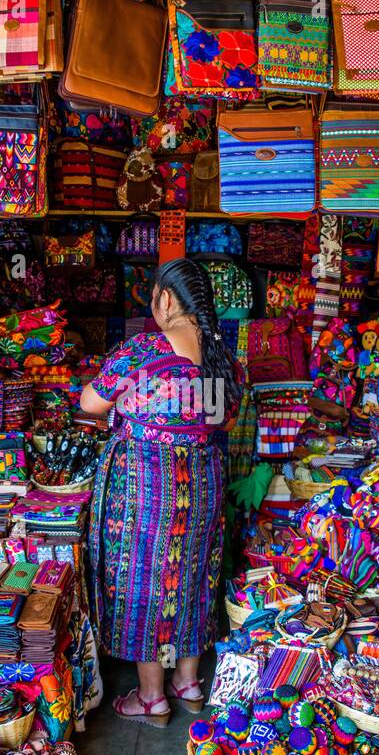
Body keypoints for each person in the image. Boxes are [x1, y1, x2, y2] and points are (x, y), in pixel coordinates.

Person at [80, 259, 242, 727]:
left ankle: (151, 696)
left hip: (146, 484)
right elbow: (222, 420)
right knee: (195, 574)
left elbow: (91, 403)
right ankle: (188, 683)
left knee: (142, 582)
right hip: (202, 481)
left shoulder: (145, 351)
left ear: (166, 300)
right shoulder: (218, 357)